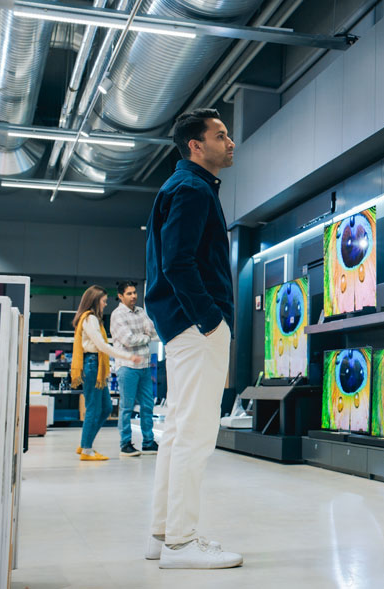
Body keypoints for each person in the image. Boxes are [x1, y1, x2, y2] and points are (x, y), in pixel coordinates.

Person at [143, 108, 240, 569]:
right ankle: (181, 542)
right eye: (221, 135)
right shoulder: (192, 189)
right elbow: (177, 263)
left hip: (181, 328)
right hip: (195, 326)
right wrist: (210, 319)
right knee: (195, 434)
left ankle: (164, 535)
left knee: (179, 432)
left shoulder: (183, 186)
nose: (231, 141)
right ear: (196, 146)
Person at [70, 285, 144, 461]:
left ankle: (84, 443)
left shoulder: (91, 319)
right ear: (96, 301)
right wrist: (128, 356)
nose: (105, 304)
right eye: (103, 301)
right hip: (92, 365)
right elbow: (102, 346)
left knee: (106, 408)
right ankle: (87, 450)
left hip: (95, 365)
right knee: (93, 409)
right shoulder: (90, 319)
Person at [110, 280, 158, 457]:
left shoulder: (141, 312)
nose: (134, 296)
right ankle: (125, 444)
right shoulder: (117, 315)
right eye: (129, 293)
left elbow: (153, 332)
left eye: (135, 293)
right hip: (127, 367)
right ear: (121, 296)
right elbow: (128, 340)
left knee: (147, 406)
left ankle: (148, 442)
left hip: (144, 366)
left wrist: (145, 335)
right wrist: (145, 336)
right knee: (127, 407)